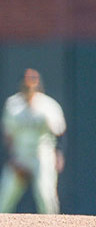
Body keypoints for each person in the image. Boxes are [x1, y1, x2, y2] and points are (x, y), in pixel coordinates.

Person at [1, 69, 67, 214]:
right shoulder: (13, 105)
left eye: (33, 81)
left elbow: (59, 132)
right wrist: (11, 158)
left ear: (38, 85)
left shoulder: (48, 105)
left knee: (45, 195)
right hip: (20, 155)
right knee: (4, 198)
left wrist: (59, 154)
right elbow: (7, 135)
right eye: (26, 82)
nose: (29, 86)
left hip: (42, 154)